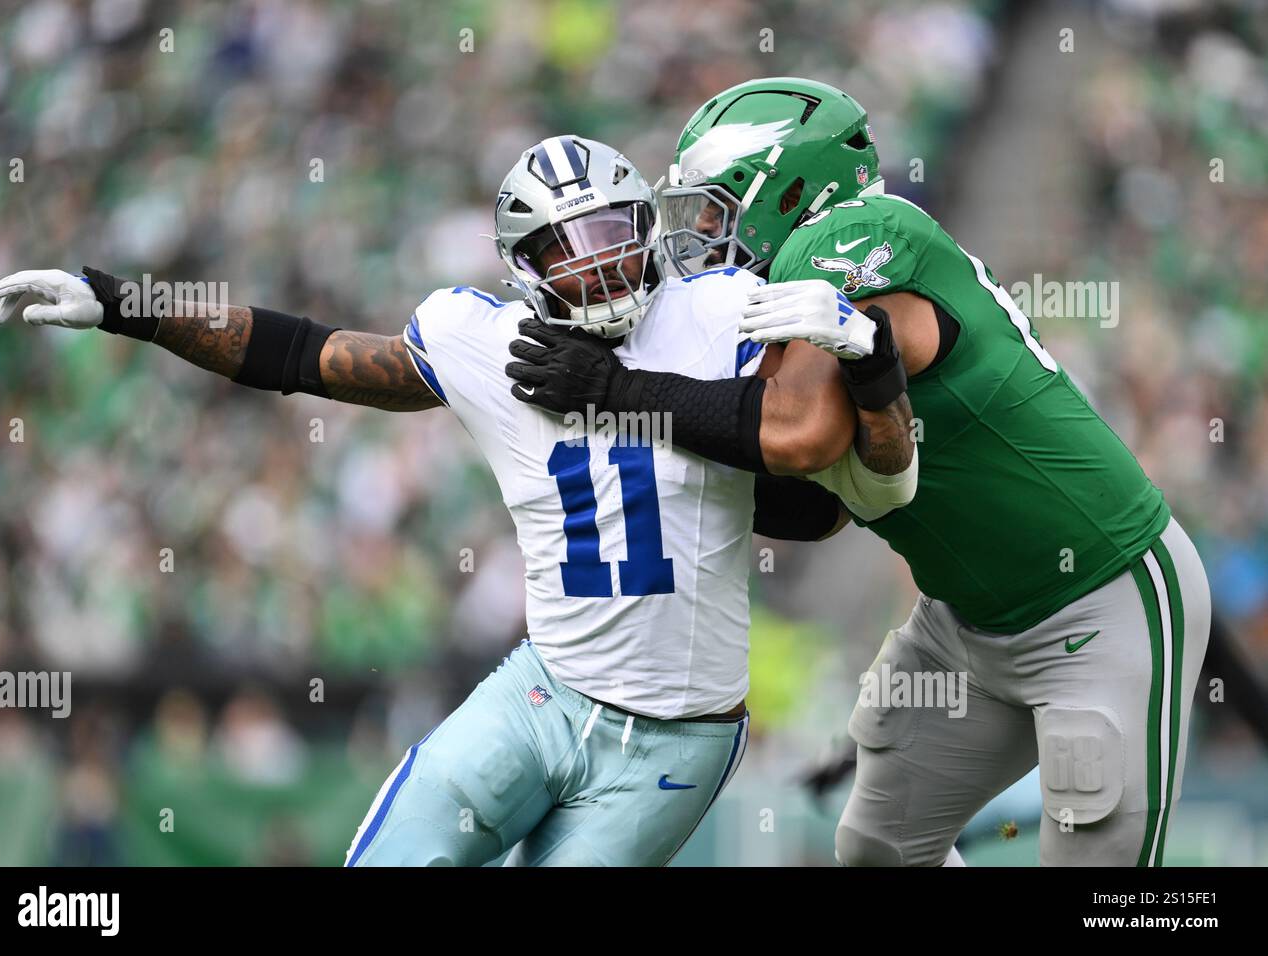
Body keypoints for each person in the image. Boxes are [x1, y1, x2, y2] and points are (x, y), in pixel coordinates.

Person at [0, 134, 915, 866]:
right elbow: (301, 354)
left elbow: (818, 484)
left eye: (616, 234)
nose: (602, 268)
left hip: (676, 741)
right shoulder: (481, 341)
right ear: (523, 263)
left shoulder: (721, 313)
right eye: (570, 247)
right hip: (543, 692)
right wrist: (123, 304)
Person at [505, 79, 1212, 867]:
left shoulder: (856, 233)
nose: (701, 232)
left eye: (715, 208)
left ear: (791, 188)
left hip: (1102, 598)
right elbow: (817, 511)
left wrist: (615, 394)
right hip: (966, 626)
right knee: (879, 850)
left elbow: (797, 433)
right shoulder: (781, 292)